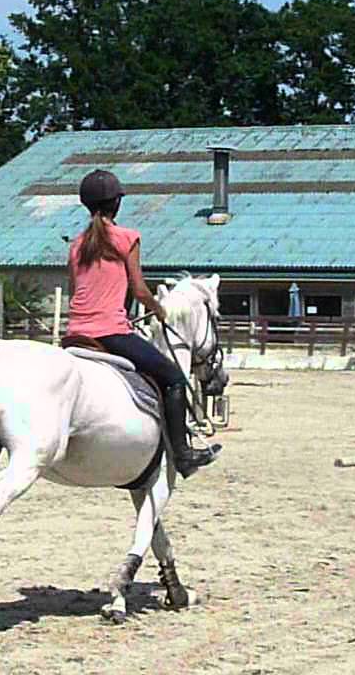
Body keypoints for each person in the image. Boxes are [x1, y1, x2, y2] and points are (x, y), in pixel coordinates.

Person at [65, 169, 220, 478]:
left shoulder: (76, 245)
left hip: (74, 334)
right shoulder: (126, 238)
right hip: (111, 332)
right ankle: (184, 454)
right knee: (174, 377)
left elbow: (75, 291)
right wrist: (158, 309)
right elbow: (138, 289)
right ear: (116, 204)